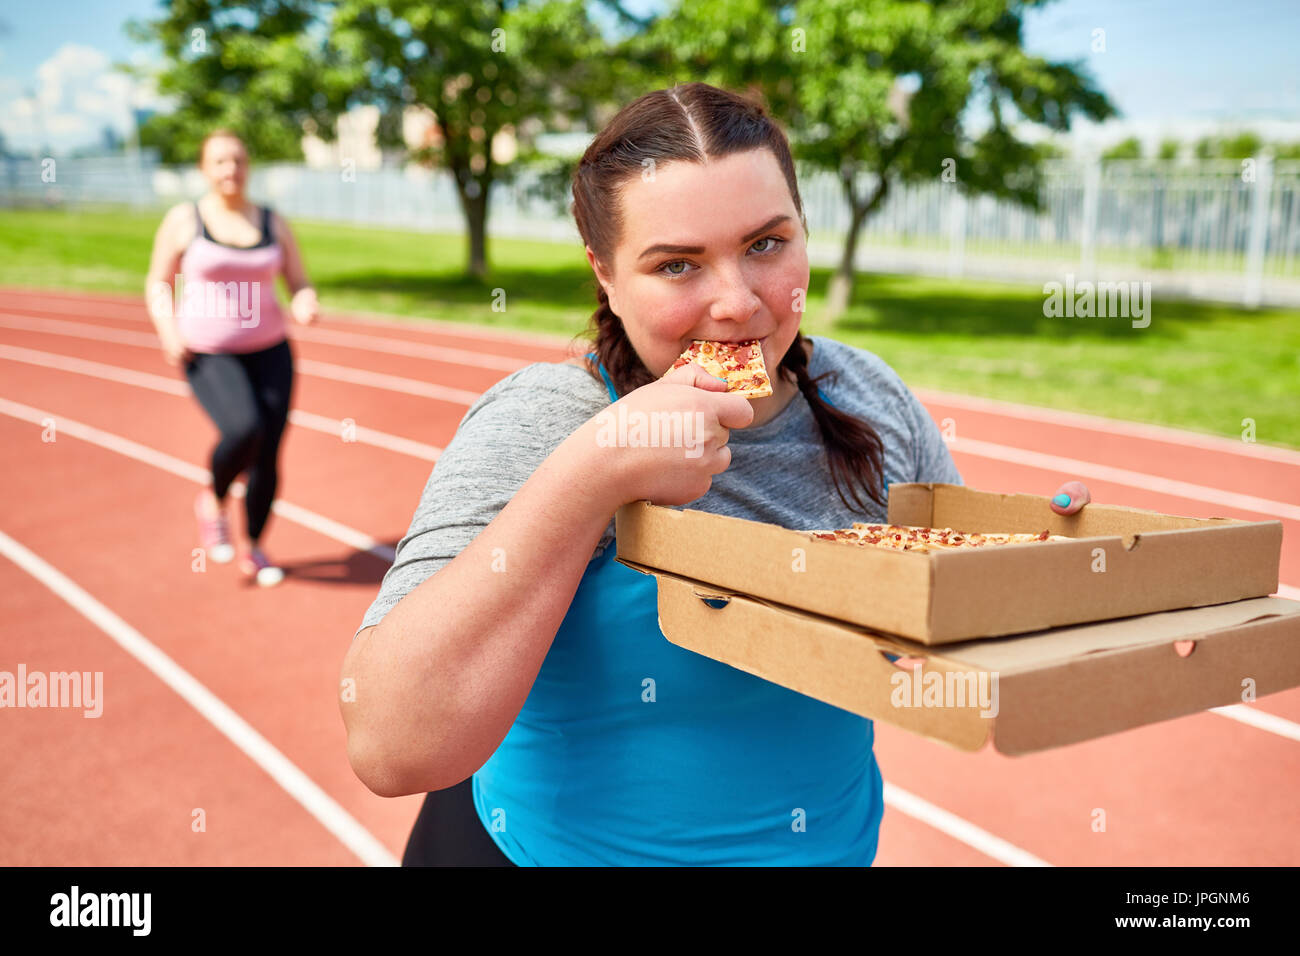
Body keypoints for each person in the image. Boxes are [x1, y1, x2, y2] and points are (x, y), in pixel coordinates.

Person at [342, 82, 1089, 866]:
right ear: (604, 273)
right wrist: (594, 473)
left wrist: (1092, 589)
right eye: (676, 265)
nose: (736, 304)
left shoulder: (871, 399)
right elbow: (391, 747)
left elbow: (963, 640)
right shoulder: (545, 419)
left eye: (767, 244)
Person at [144, 129, 320, 586]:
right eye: (220, 161)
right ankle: (214, 499)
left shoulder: (271, 221)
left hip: (271, 350)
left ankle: (256, 548)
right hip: (208, 352)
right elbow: (158, 283)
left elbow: (298, 281)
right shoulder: (185, 220)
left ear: (249, 166)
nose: (231, 170)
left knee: (269, 455)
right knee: (244, 429)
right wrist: (167, 329)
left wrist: (304, 301)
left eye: (238, 160)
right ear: (204, 168)